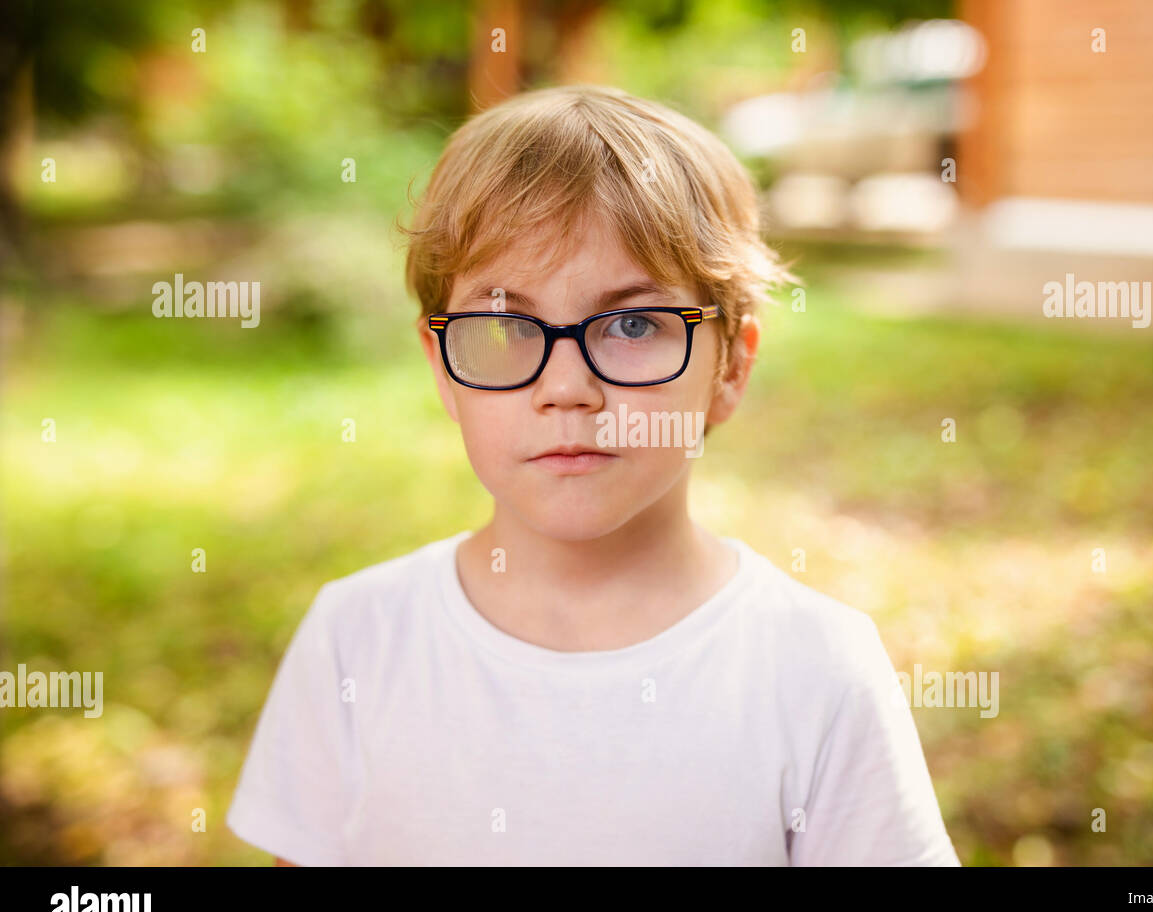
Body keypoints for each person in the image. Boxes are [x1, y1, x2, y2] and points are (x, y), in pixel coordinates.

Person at [226, 84, 960, 866]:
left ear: (732, 366)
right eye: (506, 326)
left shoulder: (819, 668)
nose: (567, 387)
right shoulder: (356, 640)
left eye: (633, 323)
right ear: (442, 366)